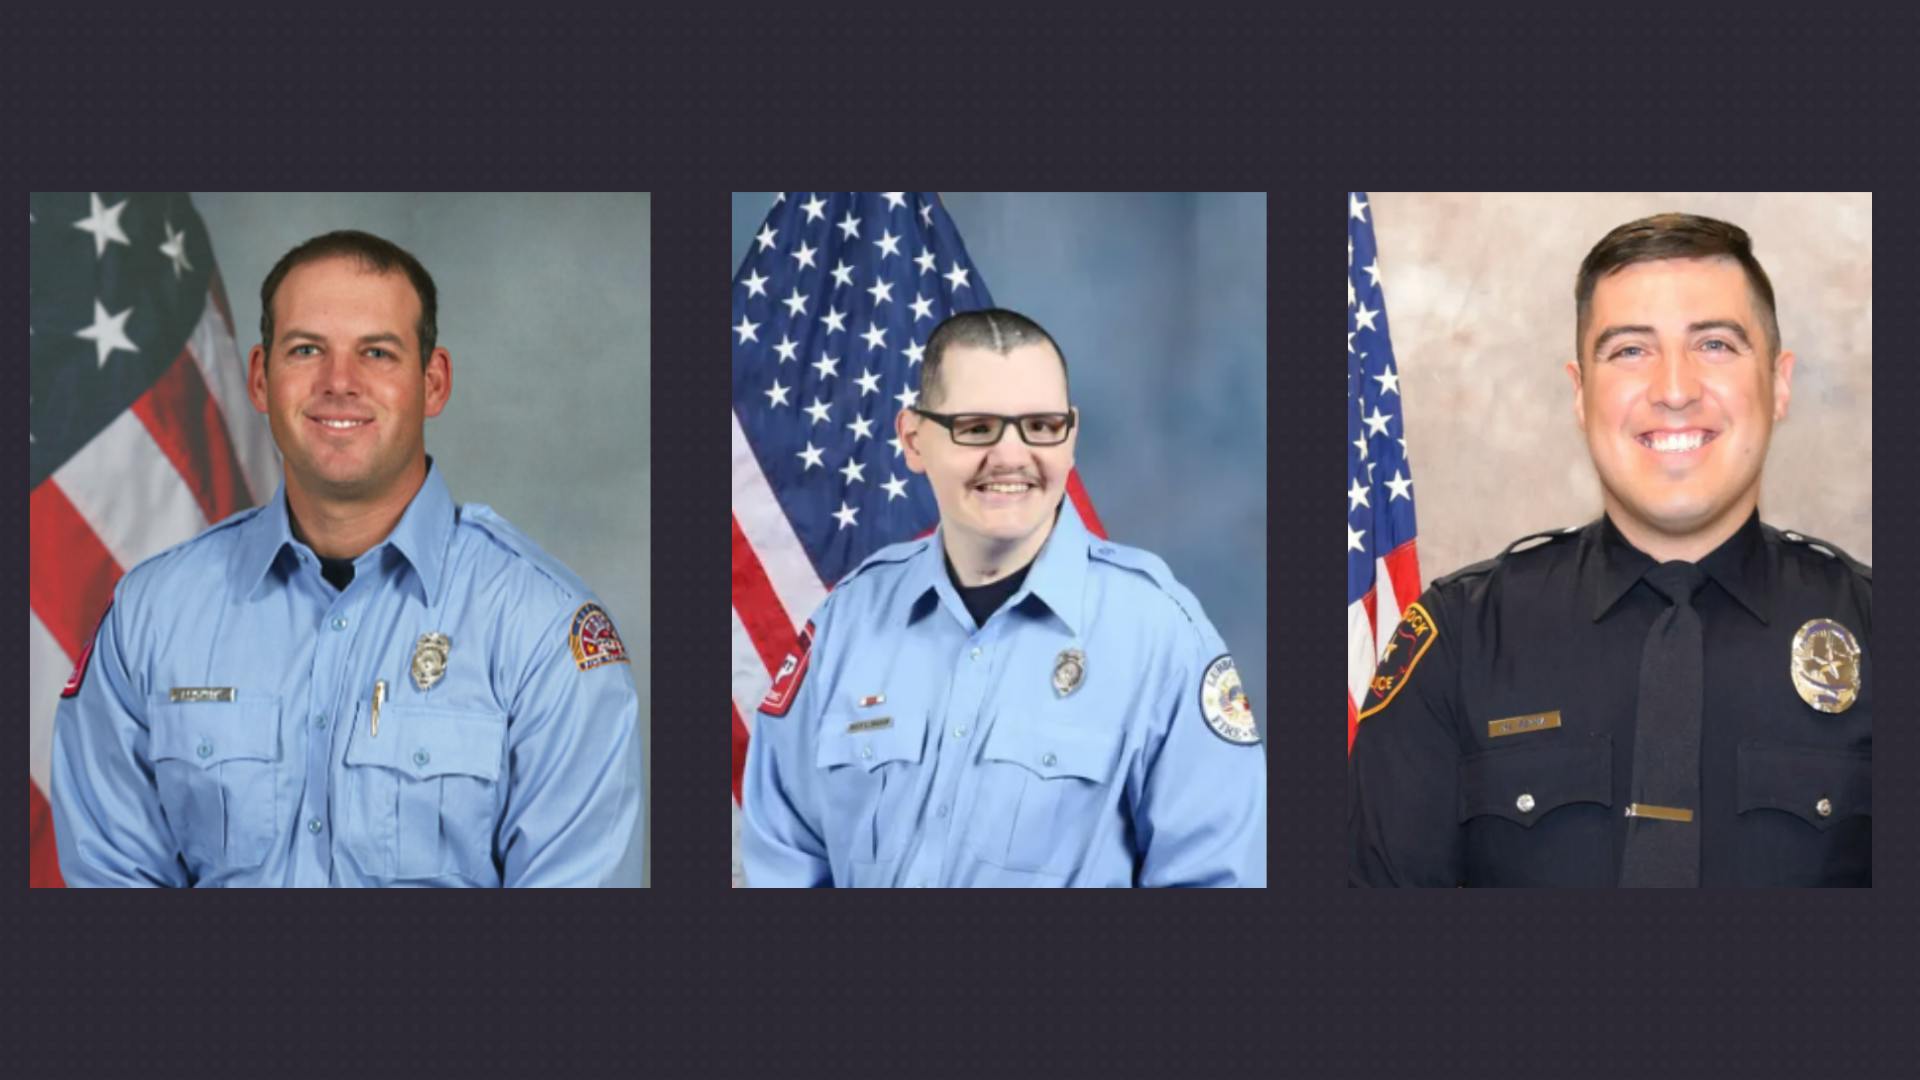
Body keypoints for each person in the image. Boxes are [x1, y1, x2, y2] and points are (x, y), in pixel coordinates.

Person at [50, 229, 641, 887]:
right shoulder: (153, 614)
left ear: (433, 382)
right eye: (306, 350)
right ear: (259, 378)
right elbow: (111, 880)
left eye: (378, 353)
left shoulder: (543, 630)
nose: (340, 383)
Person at [1349, 213, 1870, 887]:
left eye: (1714, 344)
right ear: (1579, 392)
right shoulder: (1459, 642)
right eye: (1630, 350)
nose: (1675, 390)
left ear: (1778, 383)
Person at [741, 308, 1266, 887]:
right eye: (976, 427)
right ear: (914, 440)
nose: (1012, 456)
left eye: (1041, 426)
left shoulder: (1159, 634)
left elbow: (1215, 879)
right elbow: (783, 857)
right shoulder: (848, 621)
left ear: (1071, 438)